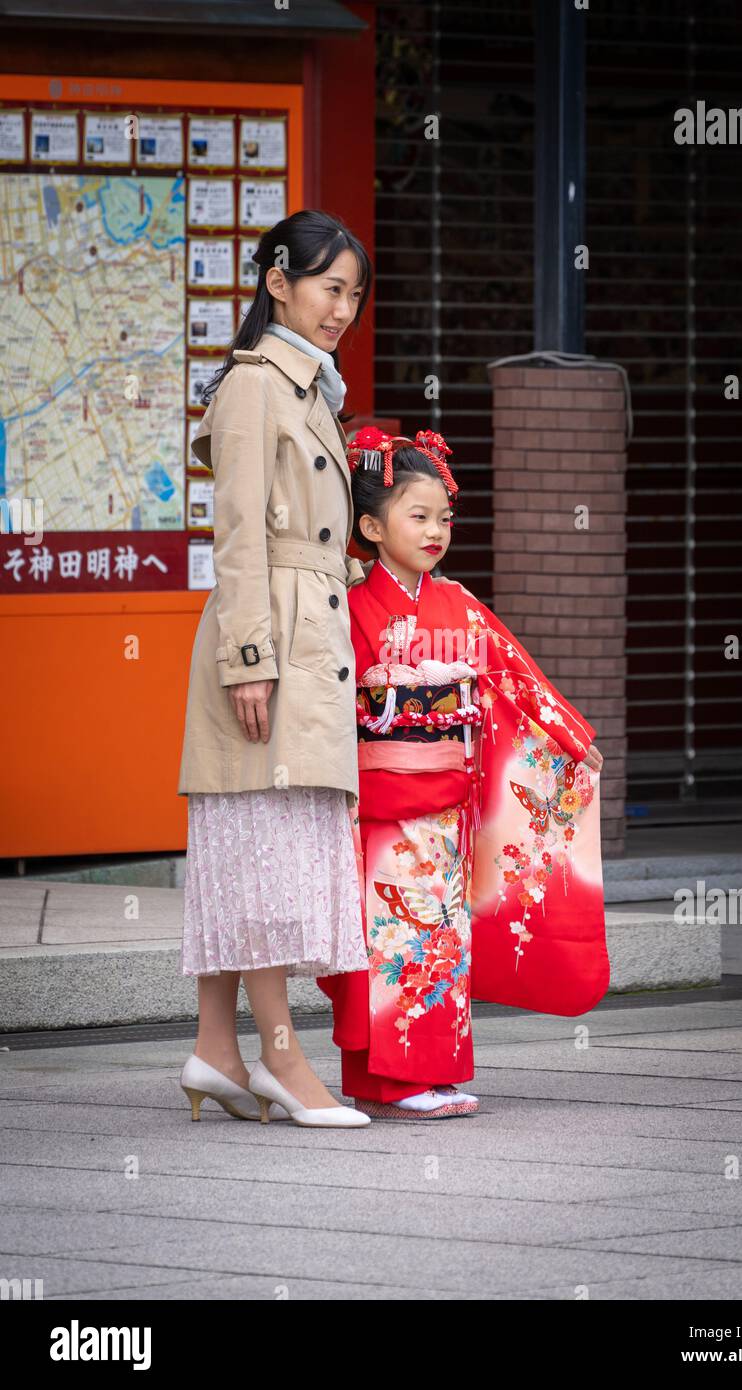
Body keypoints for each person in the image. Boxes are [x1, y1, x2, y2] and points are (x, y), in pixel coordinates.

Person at [316, 427, 609, 1118]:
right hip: (378, 804)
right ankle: (388, 1079)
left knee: (442, 936)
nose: (435, 530)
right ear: (369, 525)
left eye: (443, 517)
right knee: (391, 939)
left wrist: (570, 737)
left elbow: (515, 675)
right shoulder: (351, 609)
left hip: (444, 804)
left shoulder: (459, 604)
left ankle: (430, 1074)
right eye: (417, 516)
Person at [176, 210, 375, 1129]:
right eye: (330, 287)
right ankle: (283, 1061)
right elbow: (240, 532)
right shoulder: (261, 385)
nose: (344, 307)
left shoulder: (310, 389)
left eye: (354, 293)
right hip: (275, 646)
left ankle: (217, 1051)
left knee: (248, 845)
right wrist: (248, 661)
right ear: (278, 282)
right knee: (268, 852)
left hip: (303, 638)